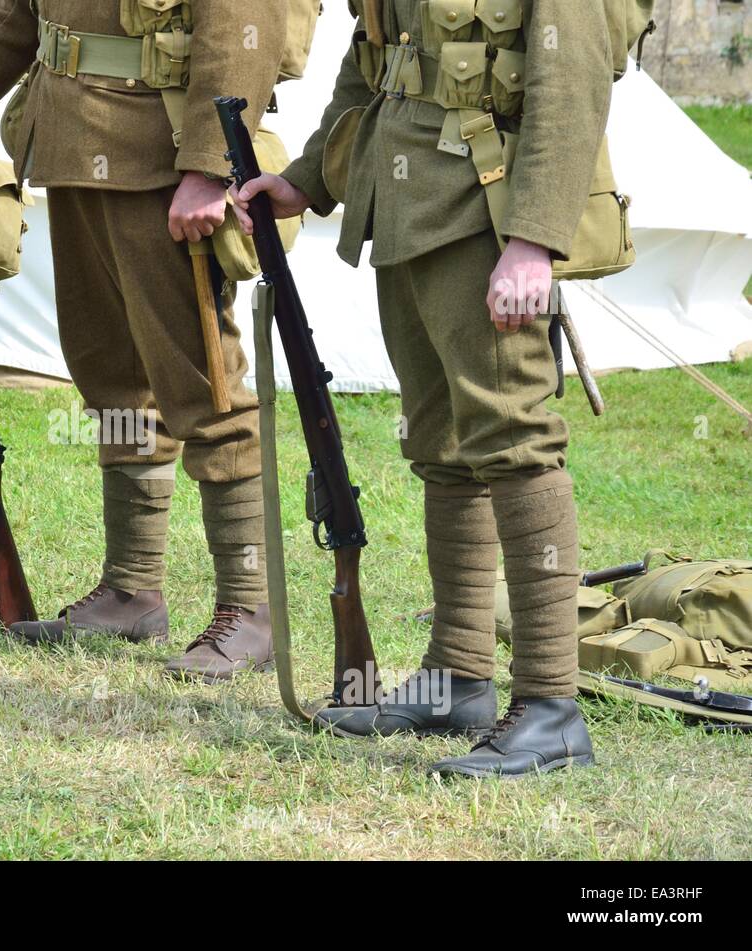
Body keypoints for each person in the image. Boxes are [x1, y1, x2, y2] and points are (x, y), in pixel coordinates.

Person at [239, 0, 612, 775]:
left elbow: (570, 82)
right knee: (443, 447)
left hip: (490, 209)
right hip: (406, 207)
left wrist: (536, 239)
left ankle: (551, 706)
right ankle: (458, 675)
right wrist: (308, 180)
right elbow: (376, 59)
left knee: (514, 439)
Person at [0, 0, 290, 682]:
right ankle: (130, 589)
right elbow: (13, 17)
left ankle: (250, 610)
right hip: (71, 145)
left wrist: (211, 165)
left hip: (166, 155)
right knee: (110, 376)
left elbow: (244, 24)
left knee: (203, 386)